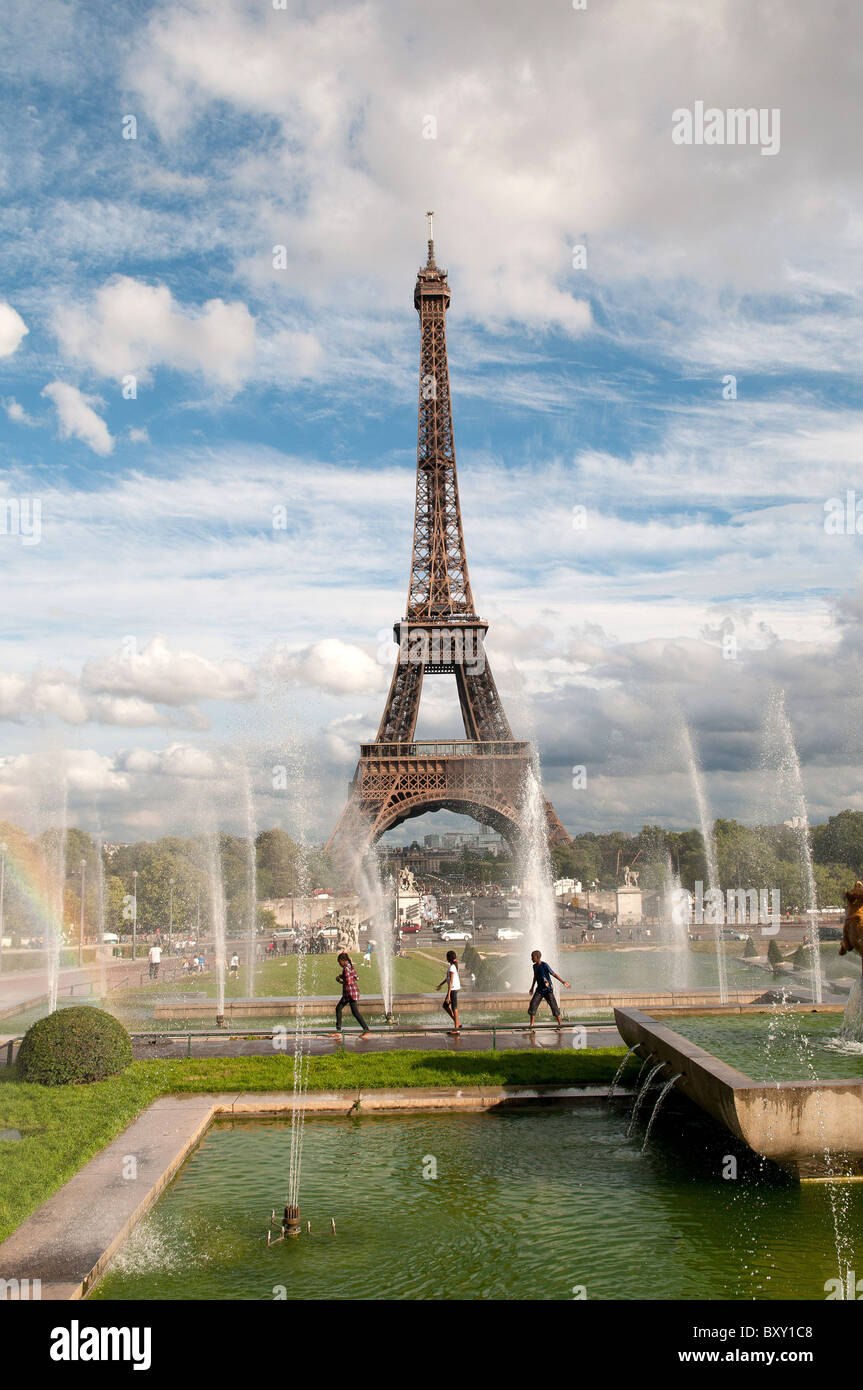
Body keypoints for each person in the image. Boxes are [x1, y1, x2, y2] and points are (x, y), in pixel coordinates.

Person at [331, 952, 371, 1039]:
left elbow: (348, 982)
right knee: (347, 1010)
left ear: (342, 961)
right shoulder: (350, 966)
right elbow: (356, 977)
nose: (339, 964)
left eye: (339, 962)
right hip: (351, 992)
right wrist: (342, 976)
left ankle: (366, 1030)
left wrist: (339, 981)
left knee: (346, 1010)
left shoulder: (346, 968)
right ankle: (365, 1029)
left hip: (350, 993)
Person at [527, 949, 570, 1029]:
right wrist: (532, 987)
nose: (531, 959)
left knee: (553, 1006)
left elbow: (553, 974)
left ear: (537, 957)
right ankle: (532, 1024)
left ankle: (559, 1024)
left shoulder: (545, 965)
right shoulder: (534, 966)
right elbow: (535, 977)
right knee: (533, 1004)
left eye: (532, 957)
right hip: (539, 990)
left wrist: (563, 982)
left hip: (548, 990)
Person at [436, 949, 462, 1034]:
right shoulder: (452, 966)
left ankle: (456, 1029)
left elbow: (451, 981)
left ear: (448, 958)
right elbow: (447, 978)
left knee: (454, 1008)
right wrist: (441, 984)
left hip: (453, 988)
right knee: (445, 1006)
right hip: (453, 988)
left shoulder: (452, 967)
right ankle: (457, 1023)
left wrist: (448, 995)